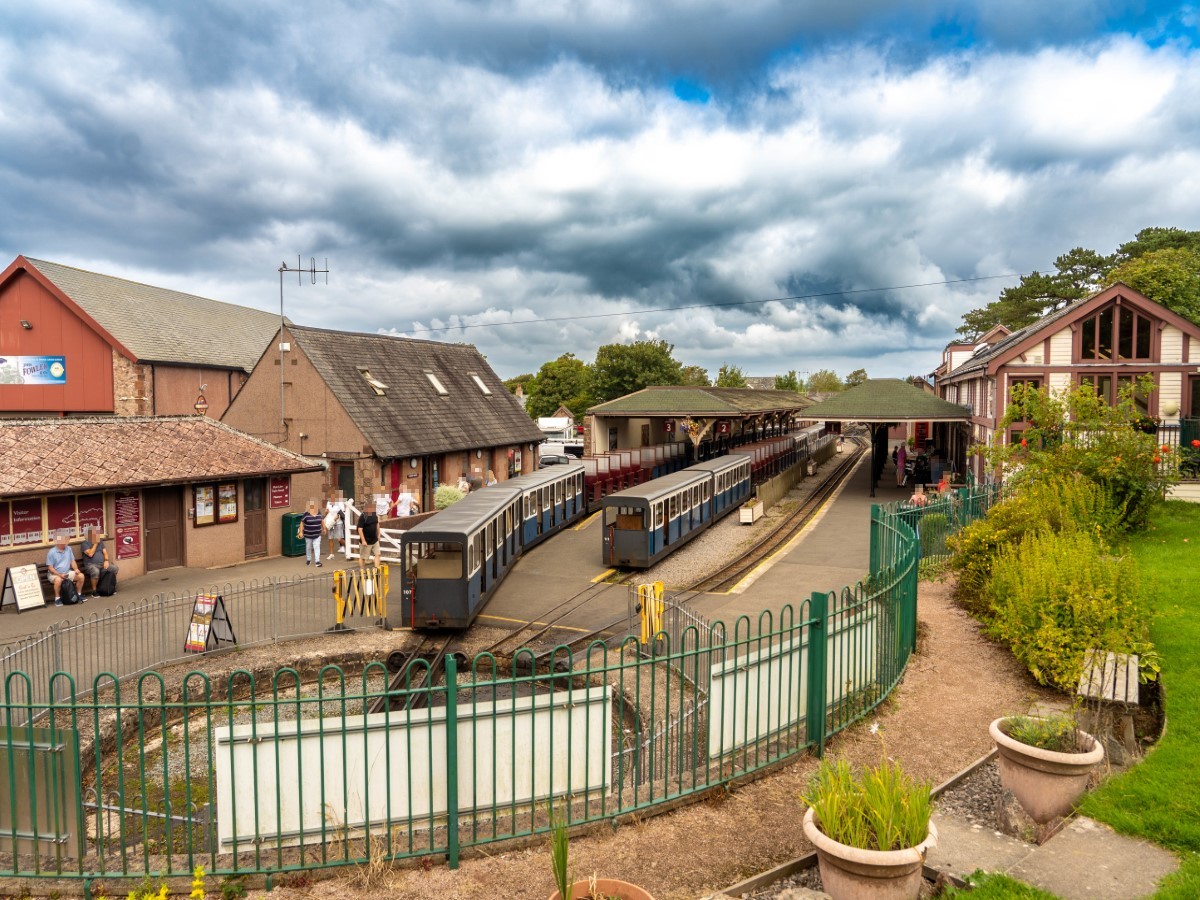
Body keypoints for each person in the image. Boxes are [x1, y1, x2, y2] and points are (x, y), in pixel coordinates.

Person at [46, 533, 85, 606]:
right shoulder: (51, 552)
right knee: (58, 580)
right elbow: (50, 568)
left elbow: (72, 561)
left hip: (67, 572)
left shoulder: (68, 549)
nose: (65, 543)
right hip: (54, 574)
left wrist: (76, 569)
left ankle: (78, 594)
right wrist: (59, 575)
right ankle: (57, 599)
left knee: (81, 576)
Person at [298, 500, 324, 567]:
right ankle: (308, 559)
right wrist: (301, 532)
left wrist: (324, 528)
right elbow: (302, 523)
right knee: (308, 547)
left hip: (317, 534)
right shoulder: (306, 514)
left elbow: (322, 520)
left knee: (317, 546)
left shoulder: (319, 513)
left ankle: (317, 561)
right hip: (308, 534)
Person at [357, 503, 381, 569]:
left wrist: (378, 534)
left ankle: (376, 571)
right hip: (366, 541)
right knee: (363, 557)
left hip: (374, 539)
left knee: (377, 554)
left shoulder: (374, 515)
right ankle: (362, 571)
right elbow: (360, 529)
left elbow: (377, 525)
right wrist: (363, 541)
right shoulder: (363, 516)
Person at [324, 490, 346, 559]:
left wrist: (337, 516)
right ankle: (331, 554)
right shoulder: (328, 502)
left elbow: (343, 512)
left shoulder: (340, 502)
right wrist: (326, 512)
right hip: (331, 522)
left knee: (339, 539)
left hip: (338, 522)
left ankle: (349, 548)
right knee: (330, 538)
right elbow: (326, 513)